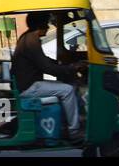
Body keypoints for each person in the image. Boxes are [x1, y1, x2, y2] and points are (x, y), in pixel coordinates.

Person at [11, 12, 84, 140]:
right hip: (29, 86)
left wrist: (62, 65)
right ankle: (74, 131)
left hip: (30, 84)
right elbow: (47, 67)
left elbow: (43, 60)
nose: (49, 27)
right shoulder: (31, 40)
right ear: (41, 24)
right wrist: (71, 68)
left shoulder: (27, 37)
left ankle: (65, 125)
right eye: (47, 23)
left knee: (68, 87)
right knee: (68, 90)